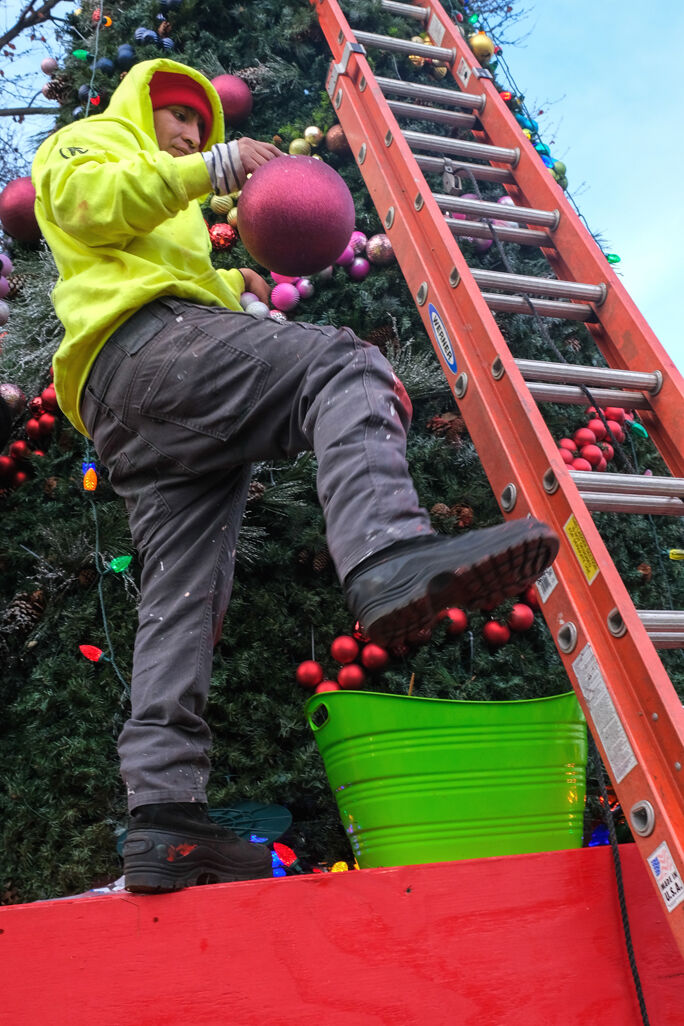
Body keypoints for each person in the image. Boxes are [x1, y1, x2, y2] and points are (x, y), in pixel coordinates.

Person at [32, 58, 559, 894]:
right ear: (138, 107)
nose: (189, 132)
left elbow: (163, 274)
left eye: (200, 125)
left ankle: (164, 821)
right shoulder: (91, 141)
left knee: (182, 599)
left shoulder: (173, 218)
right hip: (141, 354)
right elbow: (82, 207)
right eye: (176, 116)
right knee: (344, 366)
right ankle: (385, 552)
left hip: (139, 405)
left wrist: (231, 295)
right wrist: (214, 167)